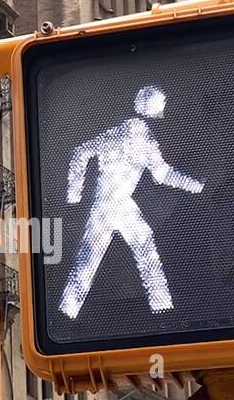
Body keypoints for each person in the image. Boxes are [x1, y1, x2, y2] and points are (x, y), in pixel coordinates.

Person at [59, 86, 204, 320]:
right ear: (153, 109)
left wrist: (74, 194)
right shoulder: (144, 140)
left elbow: (80, 152)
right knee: (134, 255)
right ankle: (162, 310)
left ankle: (68, 311)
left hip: (112, 205)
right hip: (112, 206)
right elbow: (162, 175)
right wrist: (196, 185)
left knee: (91, 263)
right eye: (161, 107)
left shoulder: (114, 134)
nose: (164, 112)